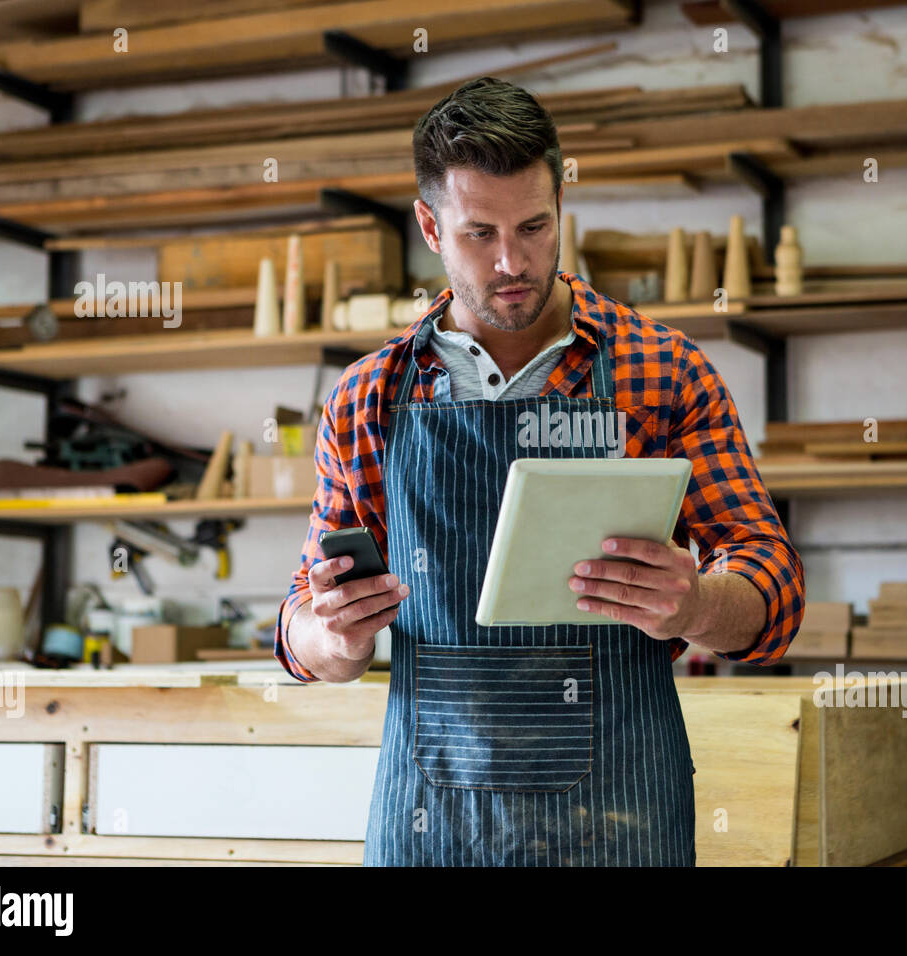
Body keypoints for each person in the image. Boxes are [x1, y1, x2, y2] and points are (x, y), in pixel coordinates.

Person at [274, 77, 804, 866]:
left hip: (621, 818)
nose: (513, 260)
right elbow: (300, 625)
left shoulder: (662, 373)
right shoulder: (368, 399)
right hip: (433, 823)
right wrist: (333, 637)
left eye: (534, 225)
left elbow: (774, 590)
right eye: (479, 233)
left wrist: (696, 603)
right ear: (429, 225)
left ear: (561, 206)